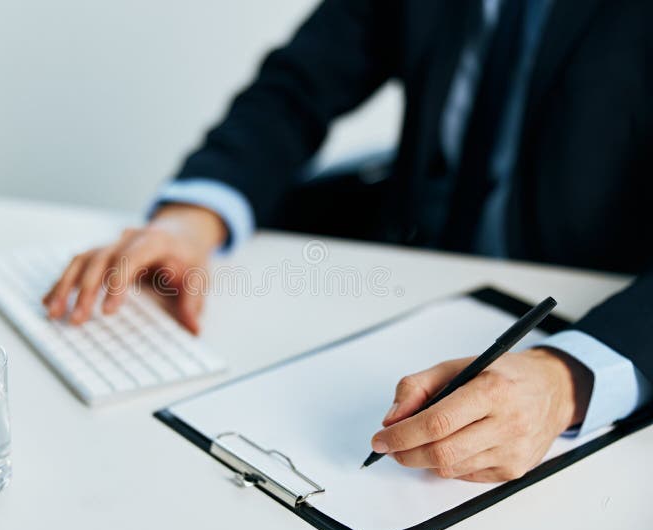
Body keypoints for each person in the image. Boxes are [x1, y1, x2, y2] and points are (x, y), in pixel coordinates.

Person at [43, 0, 653, 482]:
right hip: (409, 268)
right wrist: (192, 217)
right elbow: (299, 85)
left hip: (599, 303)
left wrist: (569, 379)